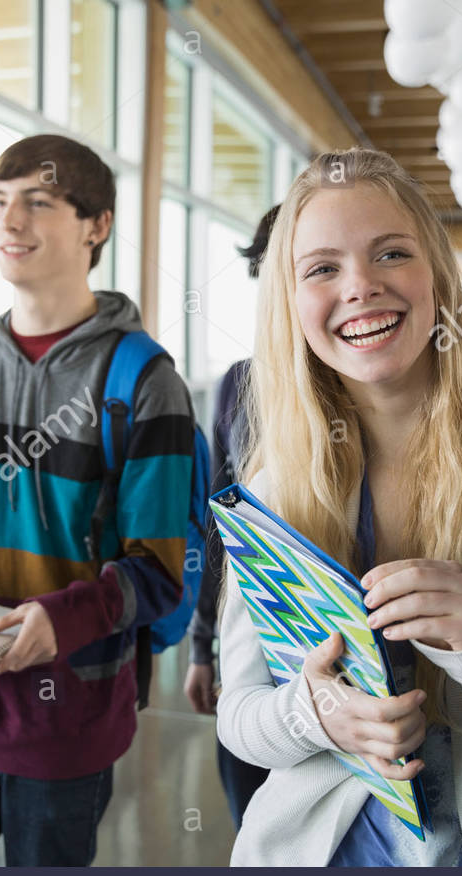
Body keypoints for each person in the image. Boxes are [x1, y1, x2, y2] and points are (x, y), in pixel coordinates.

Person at [0, 134, 195, 867]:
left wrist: (60, 620)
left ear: (97, 227)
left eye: (37, 202)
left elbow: (157, 572)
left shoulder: (143, 381)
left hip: (67, 722)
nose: (8, 221)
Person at [216, 147, 462, 865]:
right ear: (289, 301)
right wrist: (315, 713)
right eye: (322, 268)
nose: (360, 287)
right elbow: (239, 716)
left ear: (439, 278)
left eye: (390, 253)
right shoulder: (277, 491)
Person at [183, 205, 277, 830]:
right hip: (252, 652)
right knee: (255, 820)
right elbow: (219, 525)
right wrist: (202, 647)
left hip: (356, 658)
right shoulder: (240, 385)